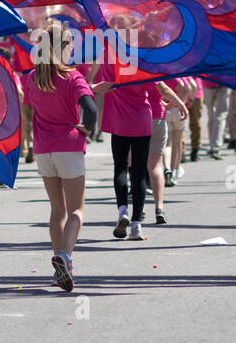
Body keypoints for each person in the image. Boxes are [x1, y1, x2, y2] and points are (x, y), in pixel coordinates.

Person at [21, 20, 96, 292]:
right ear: (62, 47)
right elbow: (89, 108)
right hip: (69, 146)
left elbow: (38, 104)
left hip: (44, 149)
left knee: (56, 209)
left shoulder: (32, 77)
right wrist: (88, 128)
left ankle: (59, 268)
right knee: (77, 209)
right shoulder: (73, 76)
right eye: (70, 44)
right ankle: (65, 255)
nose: (73, 48)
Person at [91, 62, 153, 240]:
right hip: (142, 119)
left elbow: (104, 85)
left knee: (120, 167)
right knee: (139, 172)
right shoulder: (143, 60)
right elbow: (158, 84)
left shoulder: (110, 63)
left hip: (120, 121)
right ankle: (136, 226)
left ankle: (122, 210)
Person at [146, 80, 187, 225]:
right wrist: (181, 104)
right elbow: (166, 89)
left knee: (138, 165)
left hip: (136, 117)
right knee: (156, 166)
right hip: (157, 116)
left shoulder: (128, 70)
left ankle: (136, 212)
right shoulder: (153, 69)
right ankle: (159, 208)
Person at [202, 77, 230, 160]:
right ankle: (215, 147)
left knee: (212, 115)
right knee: (220, 116)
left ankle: (213, 146)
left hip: (208, 81)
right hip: (222, 81)